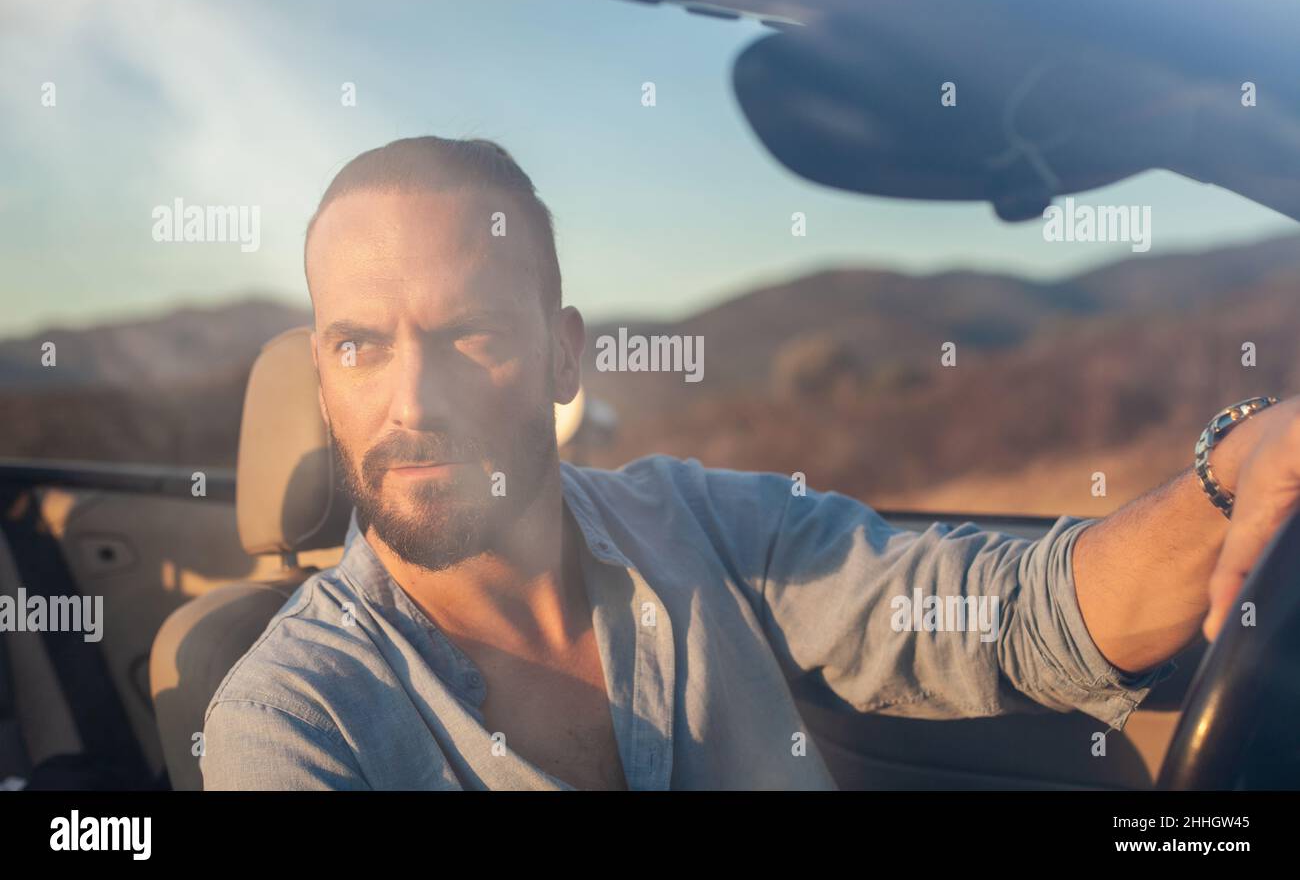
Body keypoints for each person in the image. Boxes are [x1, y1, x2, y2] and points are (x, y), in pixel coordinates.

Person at [201, 136, 1295, 789]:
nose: (409, 400)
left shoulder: (709, 528)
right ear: (322, 370)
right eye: (359, 344)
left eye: (470, 333)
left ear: (564, 353)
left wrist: (1238, 464)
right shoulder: (288, 720)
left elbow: (1016, 614)